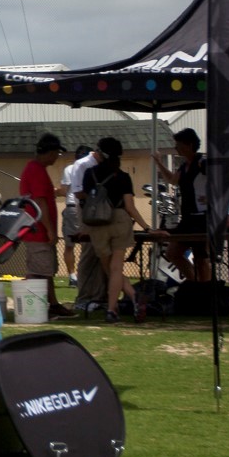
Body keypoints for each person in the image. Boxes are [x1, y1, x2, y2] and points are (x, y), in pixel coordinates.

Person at [81, 137, 144, 323]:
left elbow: (87, 202)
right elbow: (130, 207)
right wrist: (147, 226)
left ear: (100, 153)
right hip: (120, 220)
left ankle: (116, 305)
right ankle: (121, 303)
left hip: (97, 224)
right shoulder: (123, 176)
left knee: (108, 267)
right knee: (116, 267)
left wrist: (84, 228)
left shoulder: (89, 174)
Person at [18, 134, 72, 318]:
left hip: (38, 230)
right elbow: (40, 203)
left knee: (46, 270)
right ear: (48, 152)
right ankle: (33, 309)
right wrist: (50, 229)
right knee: (37, 272)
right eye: (56, 153)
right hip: (38, 231)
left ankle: (53, 305)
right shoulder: (36, 170)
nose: (57, 157)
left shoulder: (35, 169)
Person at [152, 128, 212, 284]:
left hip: (201, 218)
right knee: (173, 252)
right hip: (187, 218)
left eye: (178, 144)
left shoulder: (202, 163)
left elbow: (221, 180)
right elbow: (173, 180)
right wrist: (159, 163)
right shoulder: (184, 166)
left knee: (201, 258)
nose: (176, 148)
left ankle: (206, 290)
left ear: (189, 145)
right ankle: (194, 283)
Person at [62, 142, 103, 303]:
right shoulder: (88, 167)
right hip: (85, 210)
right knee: (86, 247)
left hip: (75, 208)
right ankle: (84, 285)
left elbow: (66, 190)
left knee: (71, 244)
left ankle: (73, 276)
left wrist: (54, 191)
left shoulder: (70, 168)